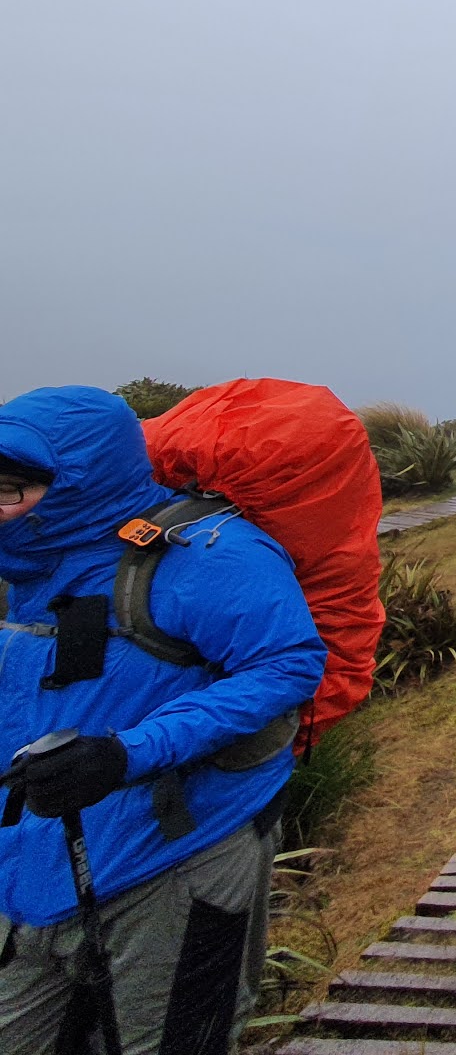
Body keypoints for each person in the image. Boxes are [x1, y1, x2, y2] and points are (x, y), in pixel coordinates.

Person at [0, 386, 327, 1055]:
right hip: (32, 861)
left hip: (173, 852)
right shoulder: (28, 563)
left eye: (11, 491)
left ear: (78, 481)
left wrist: (127, 753)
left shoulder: (210, 553)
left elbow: (286, 666)